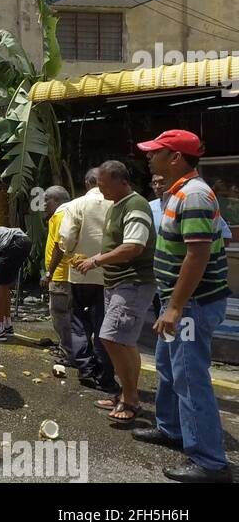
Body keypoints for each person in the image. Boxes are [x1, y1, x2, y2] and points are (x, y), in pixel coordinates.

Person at [133, 130, 232, 483]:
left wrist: (175, 307)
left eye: (155, 152)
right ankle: (171, 428)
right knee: (167, 366)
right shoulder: (178, 193)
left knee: (190, 378)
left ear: (175, 157)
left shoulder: (193, 196)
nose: (149, 157)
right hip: (177, 302)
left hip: (191, 305)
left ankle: (209, 460)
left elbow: (197, 254)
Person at [75, 161, 155, 423]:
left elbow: (133, 246)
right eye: (99, 185)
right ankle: (125, 393)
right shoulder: (115, 205)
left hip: (132, 282)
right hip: (117, 282)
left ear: (122, 182)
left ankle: (131, 399)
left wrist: (97, 261)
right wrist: (93, 259)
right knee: (122, 341)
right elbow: (117, 245)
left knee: (111, 338)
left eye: (105, 186)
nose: (101, 190)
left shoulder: (135, 205)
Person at [60, 168, 118, 394]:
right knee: (104, 325)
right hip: (109, 273)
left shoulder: (76, 205)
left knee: (79, 322)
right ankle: (105, 374)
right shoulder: (116, 203)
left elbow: (65, 239)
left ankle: (85, 368)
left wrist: (73, 251)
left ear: (87, 183)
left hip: (80, 272)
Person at [41, 186, 74, 365]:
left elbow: (60, 246)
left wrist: (49, 272)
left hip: (61, 274)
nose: (44, 204)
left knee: (60, 314)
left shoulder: (61, 216)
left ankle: (68, 351)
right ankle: (66, 346)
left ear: (58, 201)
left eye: (47, 200)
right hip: (63, 273)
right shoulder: (63, 215)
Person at [150, 174, 232, 245]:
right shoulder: (149, 206)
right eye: (154, 183)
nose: (157, 187)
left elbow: (225, 236)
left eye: (162, 182)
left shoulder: (191, 202)